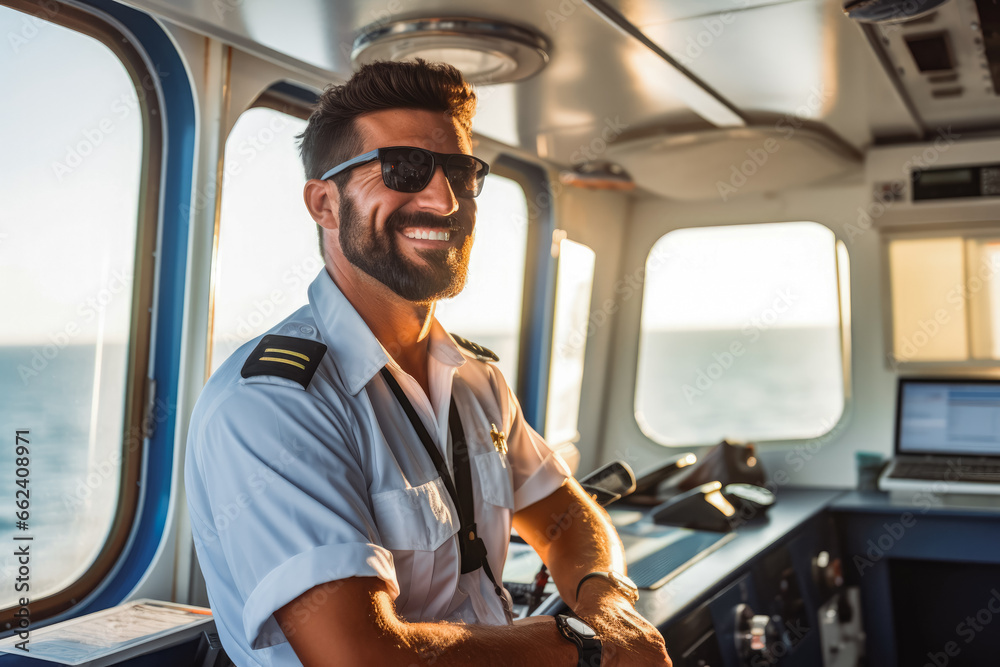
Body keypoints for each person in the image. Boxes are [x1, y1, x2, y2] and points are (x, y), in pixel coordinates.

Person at [184, 58, 671, 667]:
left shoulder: (476, 380)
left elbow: (566, 514)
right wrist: (583, 647)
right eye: (404, 169)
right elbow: (360, 658)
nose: (443, 199)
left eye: (462, 173)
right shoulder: (274, 405)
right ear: (324, 204)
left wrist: (610, 606)